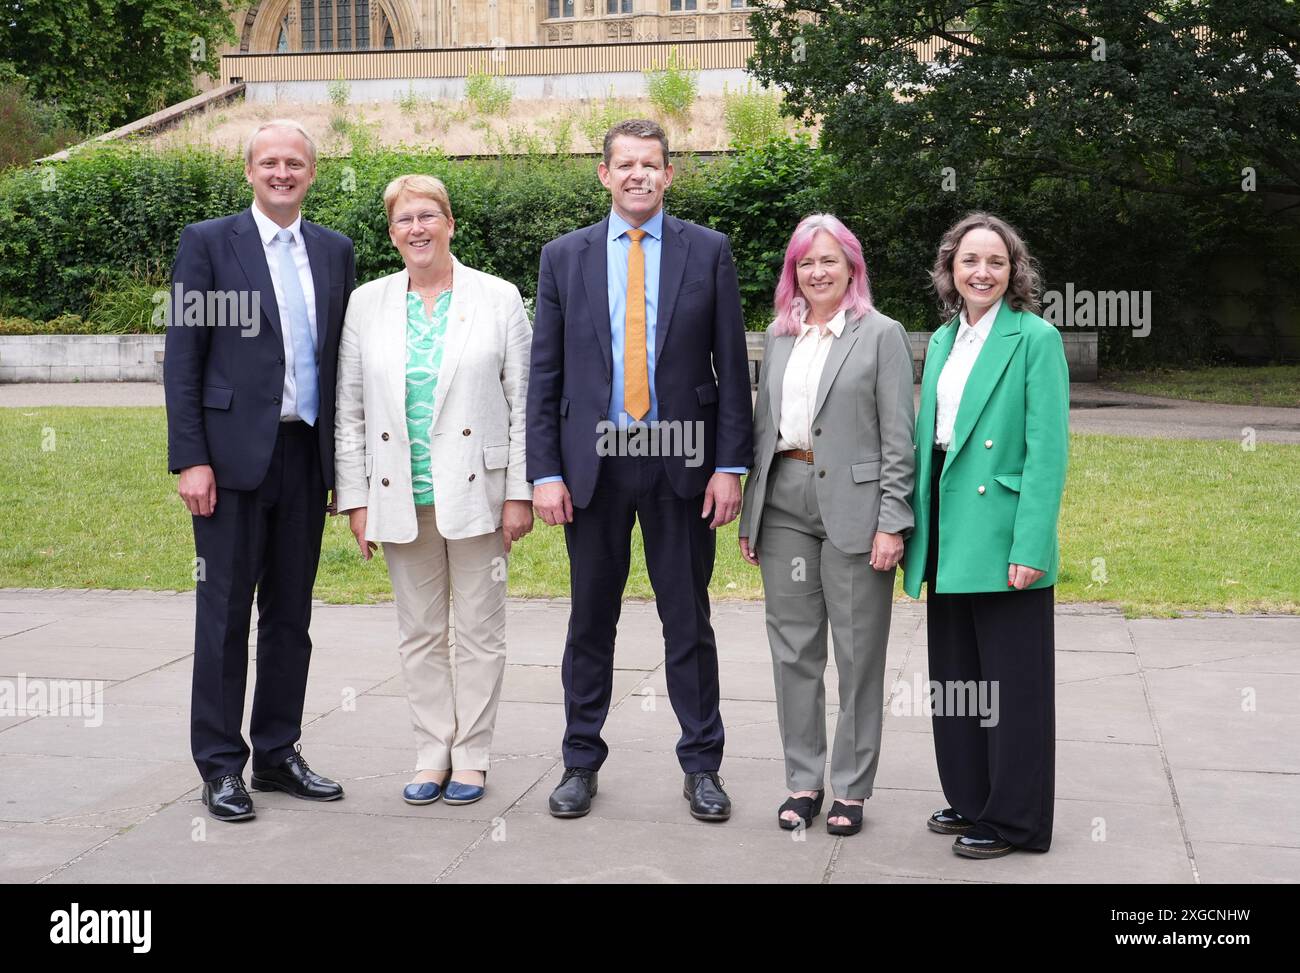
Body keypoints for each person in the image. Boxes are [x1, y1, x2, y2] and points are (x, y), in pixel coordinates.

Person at [527, 119, 753, 822]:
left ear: (669, 174)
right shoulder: (563, 257)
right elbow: (546, 373)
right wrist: (544, 472)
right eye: (625, 164)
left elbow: (732, 367)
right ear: (604, 174)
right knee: (590, 621)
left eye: (650, 164)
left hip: (680, 462)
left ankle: (702, 766)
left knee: (688, 621)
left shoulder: (708, 251)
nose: (638, 175)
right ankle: (579, 762)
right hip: (592, 464)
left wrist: (729, 466)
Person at [165, 119, 355, 822]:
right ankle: (220, 765)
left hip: (304, 455)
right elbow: (183, 358)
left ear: (311, 173)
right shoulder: (210, 244)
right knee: (222, 617)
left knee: (290, 616)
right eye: (270, 162)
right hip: (229, 459)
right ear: (249, 171)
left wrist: (345, 466)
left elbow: (338, 363)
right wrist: (190, 457)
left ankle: (277, 751)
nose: (282, 172)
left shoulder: (334, 251)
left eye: (295, 163)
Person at [334, 174, 533, 807]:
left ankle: (472, 755)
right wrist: (355, 497)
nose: (417, 228)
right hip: (400, 492)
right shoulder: (367, 303)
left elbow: (526, 403)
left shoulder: (498, 298)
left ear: (450, 223)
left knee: (479, 631)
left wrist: (520, 491)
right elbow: (351, 411)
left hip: (478, 492)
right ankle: (431, 751)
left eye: (428, 215)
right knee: (418, 632)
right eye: (403, 220)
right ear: (391, 234)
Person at [738, 214, 915, 836]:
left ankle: (853, 788)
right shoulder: (779, 334)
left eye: (829, 262)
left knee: (859, 653)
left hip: (857, 511)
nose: (817, 272)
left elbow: (900, 438)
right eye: (805, 263)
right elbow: (765, 427)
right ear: (794, 272)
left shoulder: (881, 335)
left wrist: (893, 521)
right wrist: (752, 514)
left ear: (852, 268)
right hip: (785, 502)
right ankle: (803, 780)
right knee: (793, 649)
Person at [901, 211, 1069, 859]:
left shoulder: (1035, 339)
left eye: (996, 262)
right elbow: (929, 441)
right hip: (945, 520)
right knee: (958, 676)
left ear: (1013, 271)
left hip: (1001, 530)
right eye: (970, 260)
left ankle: (1017, 820)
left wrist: (1031, 545)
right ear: (950, 269)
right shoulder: (944, 339)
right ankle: (972, 796)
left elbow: (1046, 452)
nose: (982, 271)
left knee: (1012, 684)